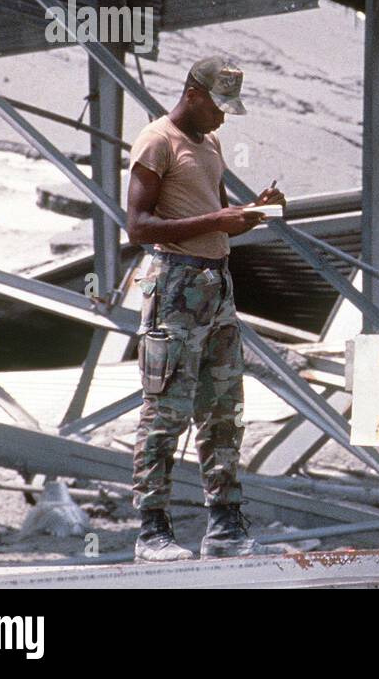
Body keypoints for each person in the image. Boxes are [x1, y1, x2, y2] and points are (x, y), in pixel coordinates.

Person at [125, 55, 286, 561]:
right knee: (165, 411)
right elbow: (139, 226)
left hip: (216, 286)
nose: (222, 118)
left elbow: (210, 215)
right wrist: (219, 218)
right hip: (174, 284)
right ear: (192, 94)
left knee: (222, 410)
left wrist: (247, 214)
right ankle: (152, 530)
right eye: (218, 107)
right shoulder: (157, 141)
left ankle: (225, 527)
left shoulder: (210, 143)